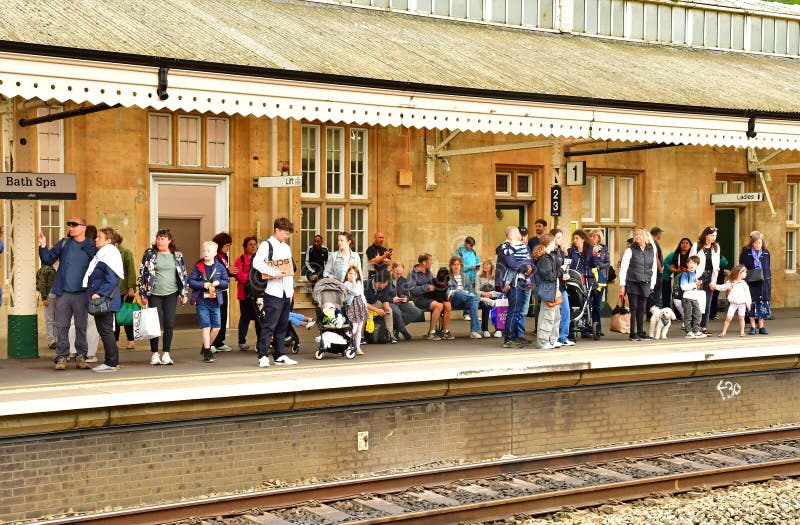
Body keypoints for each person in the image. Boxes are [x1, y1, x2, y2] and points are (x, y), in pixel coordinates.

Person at [38, 216, 97, 370]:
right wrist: (43, 246)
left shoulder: (91, 245)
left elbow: (99, 267)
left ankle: (81, 356)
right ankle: (62, 357)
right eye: (69, 225)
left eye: (74, 225)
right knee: (62, 326)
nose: (71, 227)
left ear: (83, 227)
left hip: (82, 294)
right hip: (63, 293)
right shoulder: (64, 243)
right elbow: (48, 259)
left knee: (81, 326)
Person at [252, 217, 298, 368]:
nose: (287, 236)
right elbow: (257, 263)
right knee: (269, 325)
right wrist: (273, 272)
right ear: (276, 230)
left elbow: (290, 270)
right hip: (273, 291)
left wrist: (291, 291)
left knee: (283, 325)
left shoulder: (286, 247)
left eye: (288, 234)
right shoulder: (266, 245)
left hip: (286, 291)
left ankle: (279, 355)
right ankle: (263, 355)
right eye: (285, 233)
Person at [139, 229, 189, 366]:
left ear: (169, 241)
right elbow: (142, 273)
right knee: (154, 324)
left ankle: (166, 353)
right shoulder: (150, 254)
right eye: (158, 238)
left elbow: (183, 274)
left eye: (163, 239)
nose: (160, 241)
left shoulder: (177, 256)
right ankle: (154, 354)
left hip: (171, 293)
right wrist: (143, 294)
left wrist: (184, 293)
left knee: (169, 323)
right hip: (154, 293)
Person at [84, 227, 124, 372]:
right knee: (105, 330)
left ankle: (111, 362)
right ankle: (111, 361)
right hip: (106, 299)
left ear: (109, 240)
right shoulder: (104, 254)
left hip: (106, 299)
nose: (96, 239)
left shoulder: (109, 255)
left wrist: (100, 294)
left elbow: (111, 279)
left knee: (106, 330)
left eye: (99, 237)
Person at [189, 240, 230, 363]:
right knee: (206, 326)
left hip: (215, 301)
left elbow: (226, 282)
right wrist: (203, 284)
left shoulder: (220, 267)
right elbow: (190, 281)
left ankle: (206, 345)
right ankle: (208, 351)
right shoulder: (198, 266)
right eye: (204, 250)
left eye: (209, 251)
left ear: (215, 253)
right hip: (202, 301)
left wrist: (219, 283)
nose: (205, 253)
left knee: (216, 327)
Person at [618, 227, 657, 342]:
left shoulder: (651, 250)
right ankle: (633, 333)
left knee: (642, 308)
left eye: (640, 235)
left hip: (646, 282)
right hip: (632, 281)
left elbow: (653, 268)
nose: (638, 237)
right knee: (634, 307)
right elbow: (623, 268)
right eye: (636, 235)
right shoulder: (630, 250)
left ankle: (641, 331)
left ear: (645, 237)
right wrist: (622, 285)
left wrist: (652, 284)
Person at [498, 226, 533, 348]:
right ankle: (508, 338)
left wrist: (529, 268)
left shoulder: (517, 246)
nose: (520, 234)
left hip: (521, 281)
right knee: (513, 311)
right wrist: (525, 268)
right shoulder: (506, 247)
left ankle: (515, 336)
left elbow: (525, 262)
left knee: (518, 311)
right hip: (514, 283)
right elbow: (511, 263)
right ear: (512, 234)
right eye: (518, 232)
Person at [407, 253, 453, 340]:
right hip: (419, 299)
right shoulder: (412, 274)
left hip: (431, 297)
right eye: (430, 261)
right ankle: (432, 332)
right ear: (424, 262)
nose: (432, 263)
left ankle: (444, 332)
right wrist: (427, 288)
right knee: (439, 305)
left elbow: (433, 285)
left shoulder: (429, 272)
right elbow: (412, 290)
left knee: (447, 305)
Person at [689, 226, 721, 335]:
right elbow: (691, 263)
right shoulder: (697, 246)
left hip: (710, 276)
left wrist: (714, 281)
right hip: (699, 276)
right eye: (712, 235)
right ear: (706, 235)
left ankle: (704, 327)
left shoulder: (716, 247)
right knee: (697, 302)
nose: (714, 238)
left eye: (715, 236)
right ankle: (695, 327)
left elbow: (716, 265)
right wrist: (694, 279)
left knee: (707, 303)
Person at [739, 231, 772, 335]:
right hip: (751, 281)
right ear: (752, 243)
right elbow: (742, 265)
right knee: (752, 304)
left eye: (760, 243)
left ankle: (761, 326)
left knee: (762, 304)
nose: (758, 245)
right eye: (756, 243)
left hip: (763, 281)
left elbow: (768, 266)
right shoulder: (746, 251)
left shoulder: (766, 252)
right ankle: (753, 327)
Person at [233, 236, 262, 351]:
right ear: (245, 247)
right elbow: (240, 276)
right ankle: (242, 341)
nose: (253, 246)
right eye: (250, 244)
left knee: (259, 318)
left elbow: (263, 275)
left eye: (255, 244)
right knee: (245, 318)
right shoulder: (240, 260)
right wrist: (253, 277)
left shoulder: (260, 259)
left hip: (258, 294)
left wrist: (252, 277)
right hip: (244, 294)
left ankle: (260, 341)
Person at [532, 234, 561, 349]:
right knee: (547, 316)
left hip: (553, 289)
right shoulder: (545, 258)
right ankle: (543, 341)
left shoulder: (550, 256)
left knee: (555, 316)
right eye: (554, 241)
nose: (556, 244)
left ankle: (552, 339)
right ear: (549, 243)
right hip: (548, 290)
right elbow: (548, 275)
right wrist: (559, 273)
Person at [567, 229, 597, 338]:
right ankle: (572, 323)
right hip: (574, 278)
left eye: (577, 238)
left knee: (586, 301)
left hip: (586, 278)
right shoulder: (571, 251)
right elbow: (568, 263)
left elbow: (593, 265)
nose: (575, 241)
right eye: (574, 239)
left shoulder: (589, 250)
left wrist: (594, 256)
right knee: (574, 300)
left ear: (583, 239)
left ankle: (585, 325)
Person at [209, 232, 234, 352]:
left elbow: (226, 271)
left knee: (223, 316)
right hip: (215, 289)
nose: (228, 248)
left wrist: (231, 271)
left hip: (223, 289)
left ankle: (219, 341)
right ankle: (211, 342)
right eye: (226, 245)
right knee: (215, 315)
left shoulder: (225, 256)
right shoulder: (214, 256)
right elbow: (214, 271)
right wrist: (227, 270)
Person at [711, 264, 752, 337]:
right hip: (733, 304)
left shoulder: (744, 284)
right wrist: (715, 287)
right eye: (745, 272)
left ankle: (742, 332)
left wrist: (748, 303)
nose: (746, 274)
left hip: (742, 304)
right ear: (739, 273)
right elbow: (723, 287)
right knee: (728, 318)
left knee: (741, 317)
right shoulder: (731, 282)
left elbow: (747, 294)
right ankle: (724, 332)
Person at [447, 256, 482, 338]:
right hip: (454, 301)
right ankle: (480, 299)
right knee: (459, 292)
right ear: (451, 266)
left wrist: (466, 293)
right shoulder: (447, 277)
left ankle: (474, 331)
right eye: (454, 264)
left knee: (473, 302)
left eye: (458, 264)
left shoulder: (465, 276)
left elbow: (471, 290)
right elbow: (446, 292)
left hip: (466, 301)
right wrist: (457, 292)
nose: (456, 266)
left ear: (461, 266)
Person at [113, 232, 137, 350]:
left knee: (127, 317)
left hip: (125, 290)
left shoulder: (126, 252)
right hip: (112, 291)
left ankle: (131, 340)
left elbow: (131, 271)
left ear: (116, 243)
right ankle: (115, 340)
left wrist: (131, 287)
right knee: (114, 318)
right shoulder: (108, 254)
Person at [550, 229, 573, 347]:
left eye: (561, 237)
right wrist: (561, 273)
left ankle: (563, 337)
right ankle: (553, 338)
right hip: (554, 287)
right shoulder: (550, 252)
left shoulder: (560, 251)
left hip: (562, 286)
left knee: (566, 312)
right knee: (554, 314)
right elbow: (552, 270)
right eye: (558, 237)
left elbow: (563, 268)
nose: (560, 240)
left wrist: (565, 274)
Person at [388, 262, 422, 340]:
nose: (399, 276)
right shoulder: (385, 278)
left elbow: (407, 294)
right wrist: (392, 299)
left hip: (401, 302)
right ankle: (404, 331)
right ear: (392, 270)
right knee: (397, 312)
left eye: (400, 274)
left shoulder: (403, 280)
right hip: (389, 302)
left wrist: (405, 298)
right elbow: (381, 295)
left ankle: (396, 327)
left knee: (417, 312)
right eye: (397, 274)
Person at [363, 269, 399, 344]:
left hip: (374, 303)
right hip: (363, 304)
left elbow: (384, 299)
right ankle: (361, 337)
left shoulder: (385, 286)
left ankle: (390, 335)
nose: (384, 286)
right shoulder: (366, 285)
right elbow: (363, 303)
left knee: (389, 310)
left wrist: (386, 308)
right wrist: (377, 310)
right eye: (384, 284)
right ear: (378, 282)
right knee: (363, 311)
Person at [588, 229, 610, 335]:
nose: (591, 238)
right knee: (587, 304)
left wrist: (600, 266)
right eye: (590, 236)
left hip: (600, 279)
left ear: (599, 238)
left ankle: (597, 329)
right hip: (589, 278)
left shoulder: (604, 248)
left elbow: (607, 263)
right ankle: (586, 328)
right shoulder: (587, 248)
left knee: (596, 304)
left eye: (593, 236)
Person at [343, 264, 369, 355]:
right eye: (350, 273)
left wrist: (365, 305)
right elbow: (354, 292)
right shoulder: (346, 284)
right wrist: (353, 282)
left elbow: (361, 294)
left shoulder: (358, 283)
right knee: (353, 329)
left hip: (360, 306)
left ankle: (357, 347)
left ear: (357, 275)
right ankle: (343, 342)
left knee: (359, 329)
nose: (352, 276)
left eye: (354, 274)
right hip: (352, 307)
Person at [679, 255, 706, 339]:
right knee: (688, 315)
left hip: (694, 298)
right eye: (690, 262)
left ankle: (695, 331)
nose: (692, 264)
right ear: (687, 264)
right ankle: (688, 332)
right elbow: (683, 287)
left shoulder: (694, 274)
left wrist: (697, 283)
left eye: (694, 263)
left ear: (697, 265)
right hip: (687, 298)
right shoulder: (685, 274)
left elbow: (694, 286)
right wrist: (695, 284)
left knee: (698, 315)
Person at [474, 258, 501, 338]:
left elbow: (499, 291)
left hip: (494, 297)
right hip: (483, 298)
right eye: (484, 264)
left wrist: (490, 294)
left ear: (492, 266)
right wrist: (483, 293)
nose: (485, 266)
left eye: (488, 264)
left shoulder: (496, 276)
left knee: (498, 305)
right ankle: (485, 329)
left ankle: (498, 329)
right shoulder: (479, 276)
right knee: (485, 306)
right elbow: (476, 291)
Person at [36, 263, 57, 349]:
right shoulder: (47, 268)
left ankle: (57, 340)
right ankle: (51, 340)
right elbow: (42, 283)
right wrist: (44, 297)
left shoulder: (63, 265)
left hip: (60, 296)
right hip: (49, 295)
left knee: (58, 319)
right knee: (49, 319)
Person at [649, 226, 665, 308]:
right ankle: (652, 313)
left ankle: (650, 313)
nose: (660, 236)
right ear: (658, 233)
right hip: (657, 272)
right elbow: (656, 256)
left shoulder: (651, 242)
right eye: (660, 234)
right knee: (656, 293)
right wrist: (660, 268)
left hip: (655, 272)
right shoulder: (654, 242)